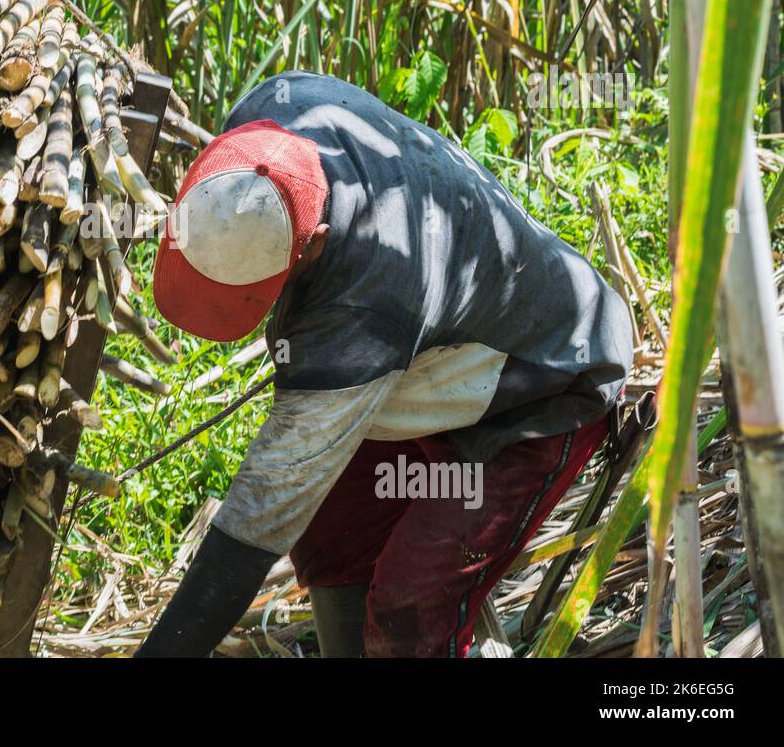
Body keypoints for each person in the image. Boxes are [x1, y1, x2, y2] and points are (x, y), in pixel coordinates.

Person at [137, 70, 632, 657]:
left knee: (411, 606)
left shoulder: (363, 304)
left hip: (542, 386)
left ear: (315, 241)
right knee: (332, 532)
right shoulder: (264, 118)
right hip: (429, 356)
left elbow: (258, 520)